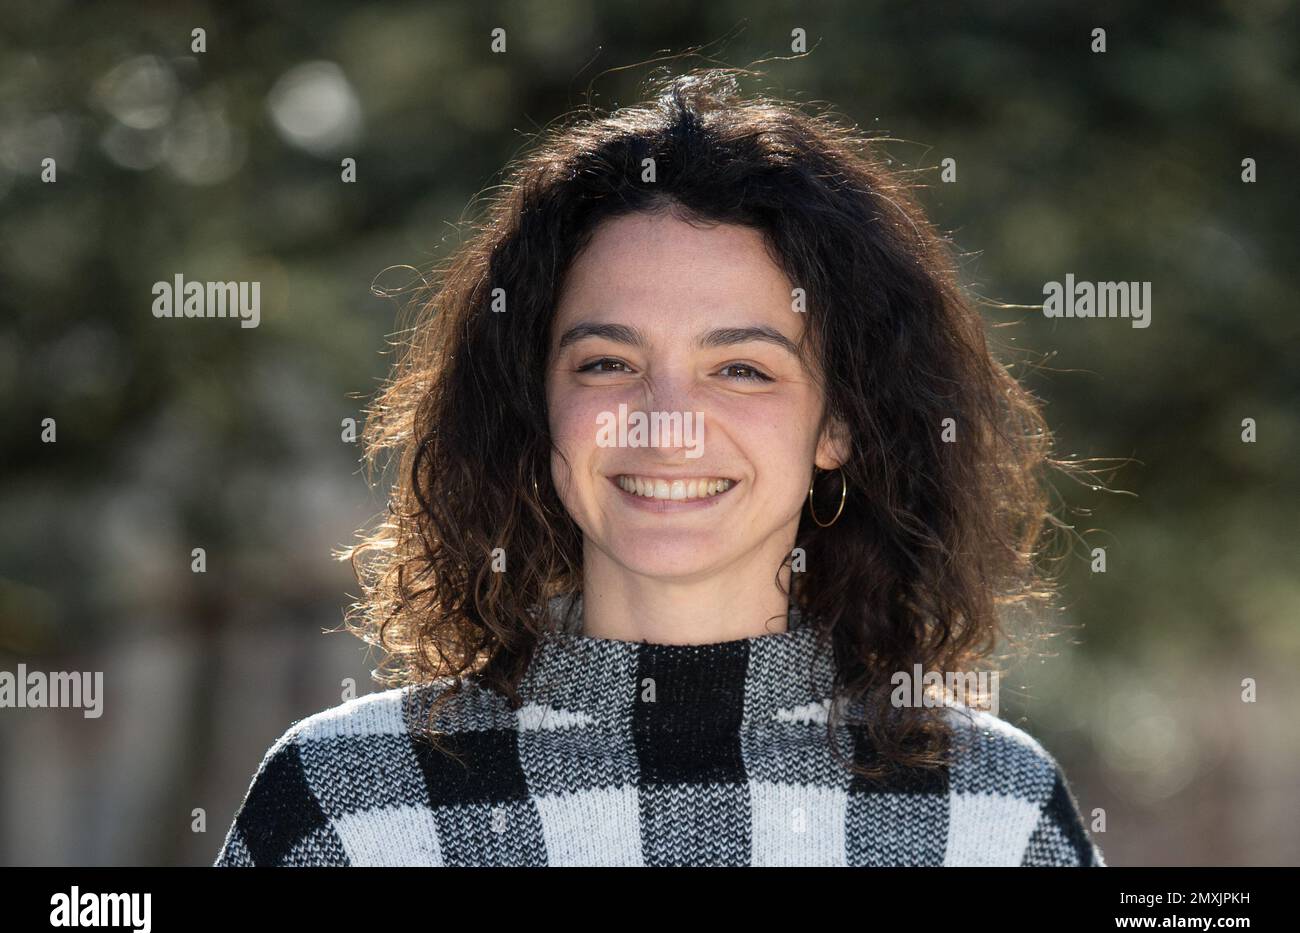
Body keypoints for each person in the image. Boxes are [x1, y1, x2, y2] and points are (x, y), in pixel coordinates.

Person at [215, 68, 1104, 867]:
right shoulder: (346, 804)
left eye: (742, 369)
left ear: (838, 423)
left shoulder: (991, 816)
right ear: (539, 406)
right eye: (608, 362)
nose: (669, 425)